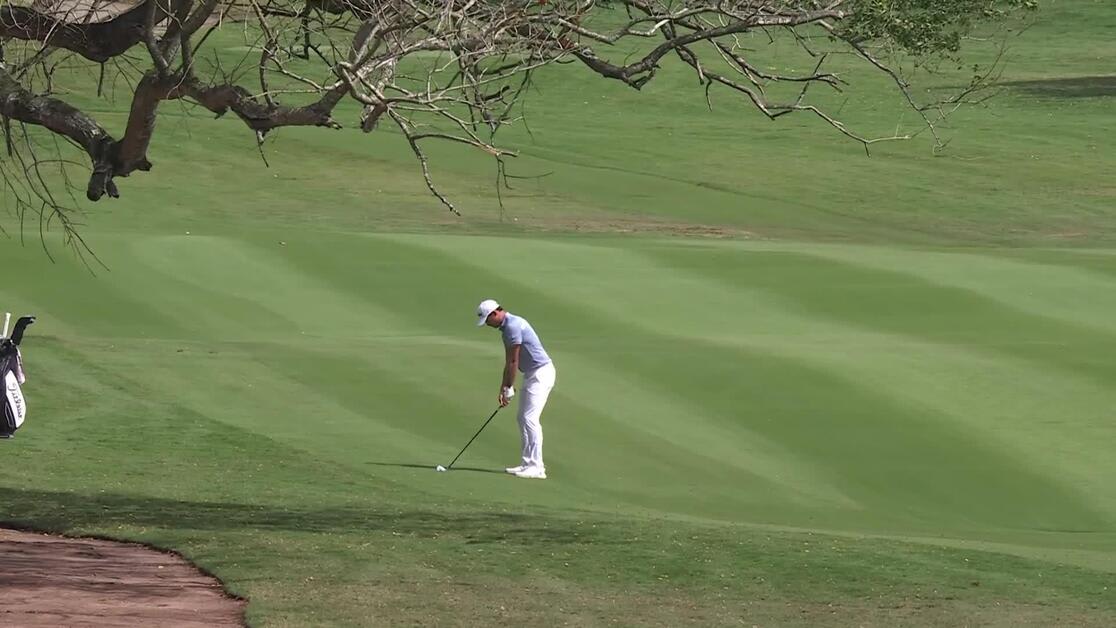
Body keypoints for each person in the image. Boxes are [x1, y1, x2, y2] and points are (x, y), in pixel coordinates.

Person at [476, 299, 555, 479]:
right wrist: (504, 387)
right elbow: (509, 361)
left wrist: (508, 387)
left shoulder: (512, 326)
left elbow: (513, 361)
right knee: (522, 418)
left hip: (541, 373)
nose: (487, 324)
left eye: (488, 320)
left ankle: (537, 467)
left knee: (530, 418)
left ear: (495, 313)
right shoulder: (507, 327)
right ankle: (527, 463)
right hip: (532, 373)